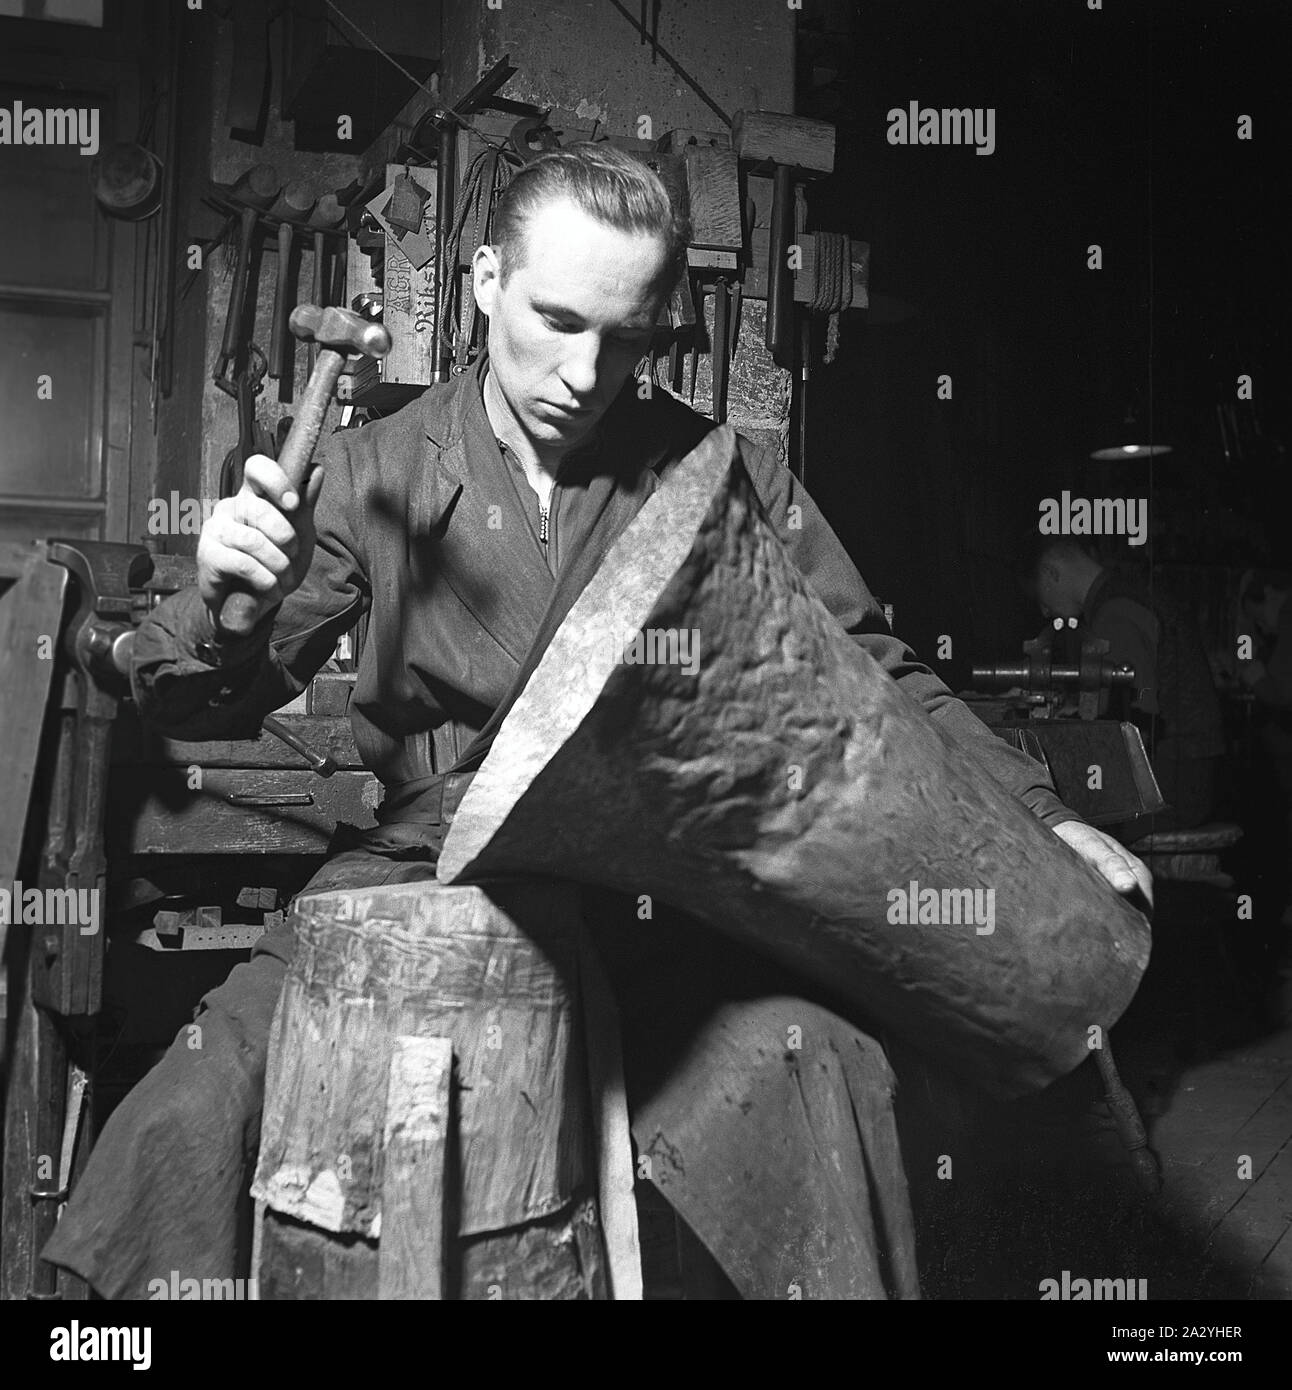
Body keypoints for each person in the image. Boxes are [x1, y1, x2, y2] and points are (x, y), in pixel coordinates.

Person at [43, 144, 1149, 1300]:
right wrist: (225, 609)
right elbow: (196, 690)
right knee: (187, 1112)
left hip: (656, 898)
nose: (584, 371)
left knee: (824, 1073)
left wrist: (1035, 816)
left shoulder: (720, 471)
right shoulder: (371, 470)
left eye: (625, 338)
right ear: (481, 281)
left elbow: (873, 668)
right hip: (424, 881)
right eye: (556, 319)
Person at [1027, 536, 1226, 831]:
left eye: (1039, 595)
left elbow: (1137, 713)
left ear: (1051, 572)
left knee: (1060, 822)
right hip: (1188, 770)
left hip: (1174, 785)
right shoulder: (1127, 592)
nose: (1044, 611)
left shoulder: (1116, 611)